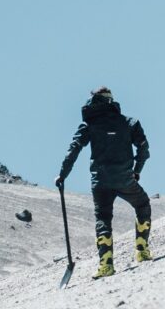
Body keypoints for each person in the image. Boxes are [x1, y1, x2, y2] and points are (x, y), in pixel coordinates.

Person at [57, 87, 153, 278]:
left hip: (100, 181)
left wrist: (62, 176)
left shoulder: (88, 125)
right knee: (142, 204)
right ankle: (142, 250)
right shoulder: (129, 122)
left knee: (103, 218)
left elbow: (73, 150)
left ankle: (106, 264)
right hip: (125, 178)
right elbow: (144, 149)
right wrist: (136, 172)